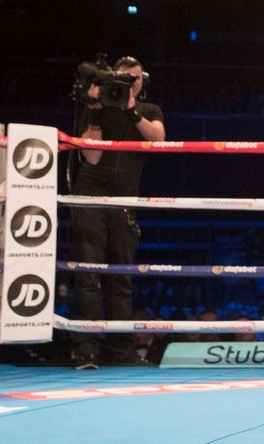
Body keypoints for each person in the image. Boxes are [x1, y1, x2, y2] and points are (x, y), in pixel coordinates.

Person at [69, 56, 165, 369]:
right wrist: (96, 115)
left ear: (142, 81)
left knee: (121, 276)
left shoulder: (149, 112)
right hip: (91, 193)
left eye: (134, 78)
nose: (128, 82)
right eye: (123, 77)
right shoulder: (96, 108)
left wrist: (130, 109)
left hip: (125, 196)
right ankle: (86, 350)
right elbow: (91, 157)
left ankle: (121, 351)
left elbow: (158, 139)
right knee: (88, 272)